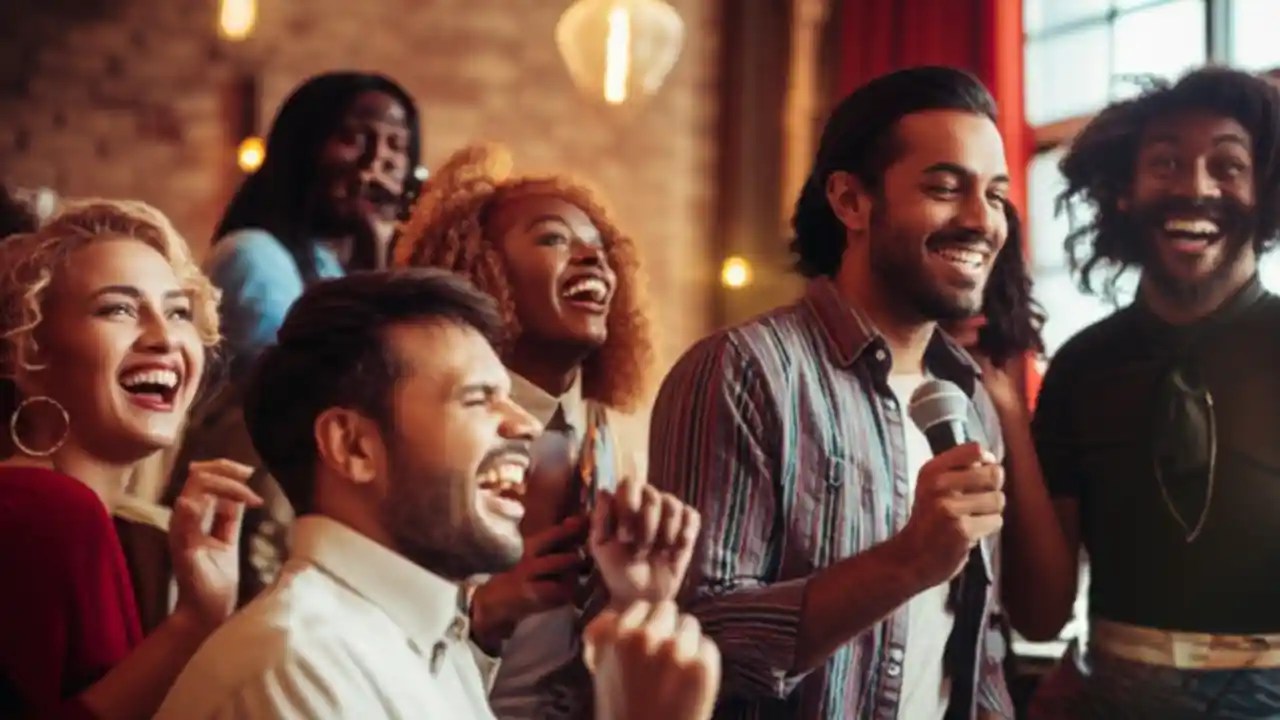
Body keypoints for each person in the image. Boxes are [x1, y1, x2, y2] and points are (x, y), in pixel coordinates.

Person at [155, 270, 702, 720]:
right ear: (353, 446)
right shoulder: (294, 668)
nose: (527, 429)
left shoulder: (432, 641)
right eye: (478, 399)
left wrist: (637, 607)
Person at [649, 66, 1016, 720]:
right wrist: (906, 561)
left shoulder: (968, 397)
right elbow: (690, 640)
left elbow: (974, 640)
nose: (980, 221)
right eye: (944, 187)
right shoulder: (743, 372)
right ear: (850, 201)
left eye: (995, 195)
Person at [1005, 67, 1280, 718]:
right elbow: (1040, 615)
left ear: (1264, 192)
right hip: (1110, 692)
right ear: (1122, 192)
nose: (1195, 187)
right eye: (1165, 164)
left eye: (1228, 166)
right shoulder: (1079, 367)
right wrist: (1009, 420)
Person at [394, 144, 654, 718]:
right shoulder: (432, 435)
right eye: (554, 238)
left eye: (601, 249)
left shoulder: (610, 444)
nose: (593, 259)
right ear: (481, 270)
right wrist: (484, 611)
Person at [0, 199, 260, 718]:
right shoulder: (42, 510)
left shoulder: (92, 518)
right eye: (117, 308)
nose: (164, 338)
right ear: (28, 354)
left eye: (179, 312)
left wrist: (199, 615)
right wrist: (191, 625)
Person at [171, 71, 424, 604]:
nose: (378, 162)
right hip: (252, 522)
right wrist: (379, 260)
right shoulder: (254, 256)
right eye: (355, 138)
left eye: (397, 147)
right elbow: (315, 387)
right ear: (304, 148)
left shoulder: (336, 266)